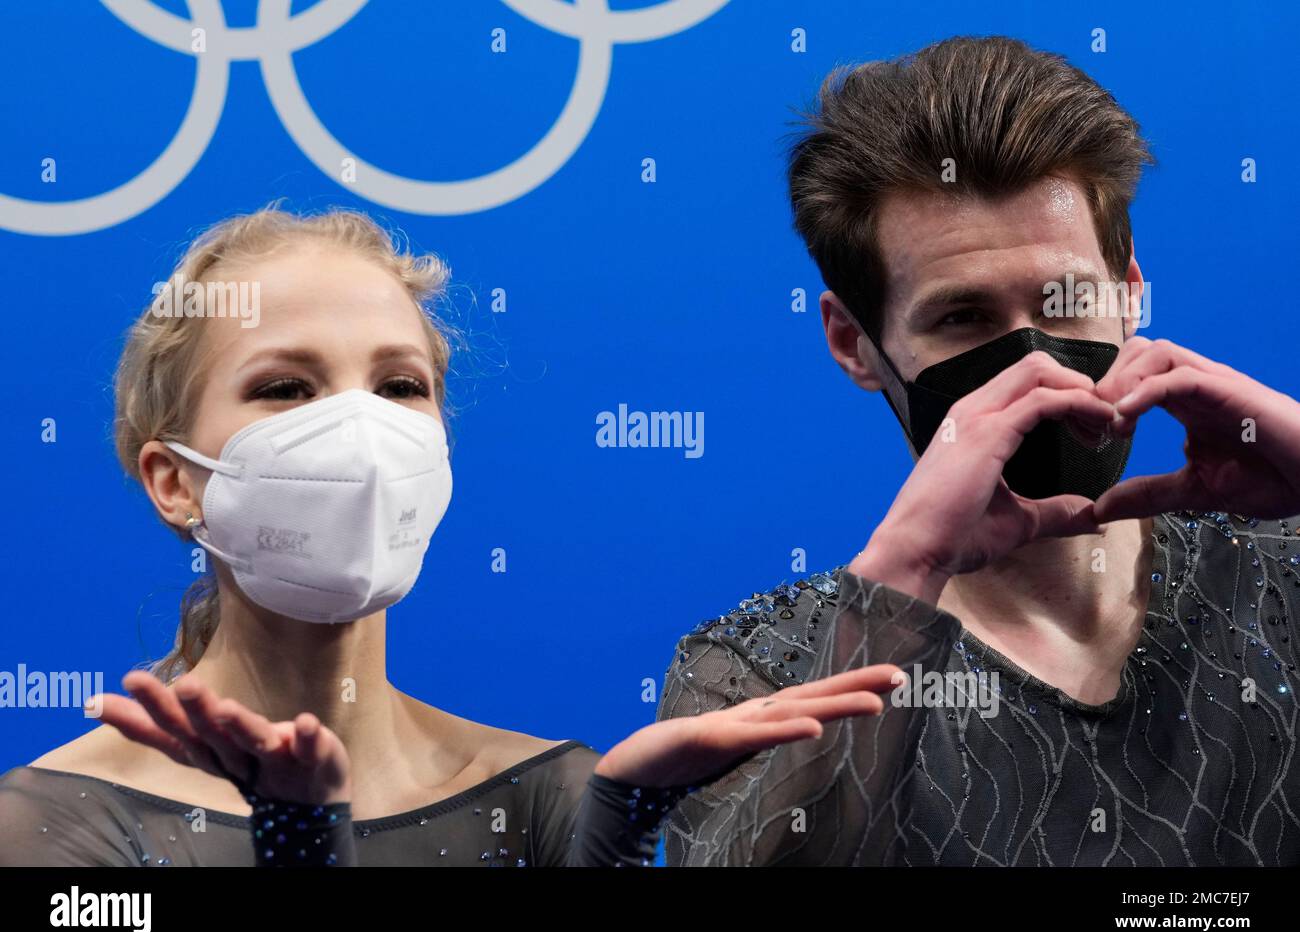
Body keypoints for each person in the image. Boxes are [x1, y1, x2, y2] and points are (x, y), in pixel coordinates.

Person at [0, 205, 901, 866]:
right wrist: (299, 844)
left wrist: (616, 842)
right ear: (174, 481)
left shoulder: (553, 795)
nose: (358, 433)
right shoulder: (54, 824)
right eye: (286, 389)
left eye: (397, 388)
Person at [657, 36, 1300, 866]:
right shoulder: (754, 672)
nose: (1035, 362)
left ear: (1131, 294)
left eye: (1067, 300)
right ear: (854, 343)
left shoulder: (1283, 567)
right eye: (961, 317)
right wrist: (897, 589)